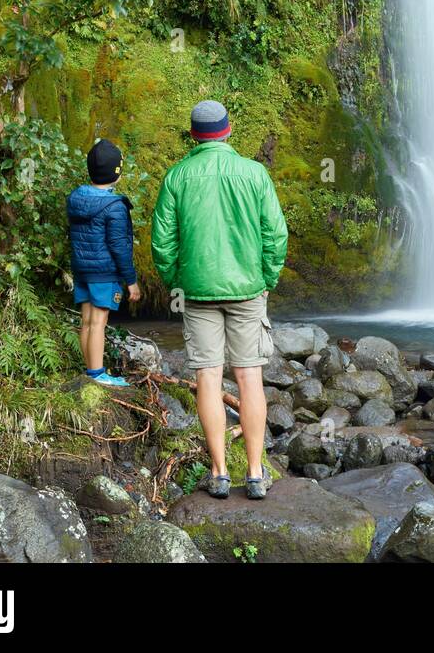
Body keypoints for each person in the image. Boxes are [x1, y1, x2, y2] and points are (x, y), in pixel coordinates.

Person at [151, 100, 288, 499]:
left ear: (194, 136)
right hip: (248, 289)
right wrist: (268, 278)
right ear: (228, 131)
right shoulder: (254, 173)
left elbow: (162, 241)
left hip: (198, 291)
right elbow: (275, 235)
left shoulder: (177, 176)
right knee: (249, 377)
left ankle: (219, 472)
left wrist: (178, 277)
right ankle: (256, 473)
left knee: (208, 378)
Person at [67, 138, 141, 387]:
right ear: (116, 173)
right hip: (104, 272)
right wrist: (131, 281)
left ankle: (90, 371)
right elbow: (119, 247)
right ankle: (98, 374)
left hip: (82, 269)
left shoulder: (76, 198)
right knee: (98, 322)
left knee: (86, 320)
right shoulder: (114, 206)